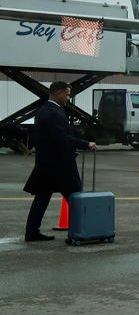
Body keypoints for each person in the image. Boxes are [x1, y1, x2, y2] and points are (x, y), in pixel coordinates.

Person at [24, 81, 96, 242]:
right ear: (59, 93)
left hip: (46, 163)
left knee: (42, 198)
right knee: (75, 195)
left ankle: (31, 232)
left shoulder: (44, 110)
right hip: (60, 165)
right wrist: (86, 144)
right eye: (68, 94)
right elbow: (62, 138)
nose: (68, 98)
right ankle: (83, 230)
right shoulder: (54, 113)